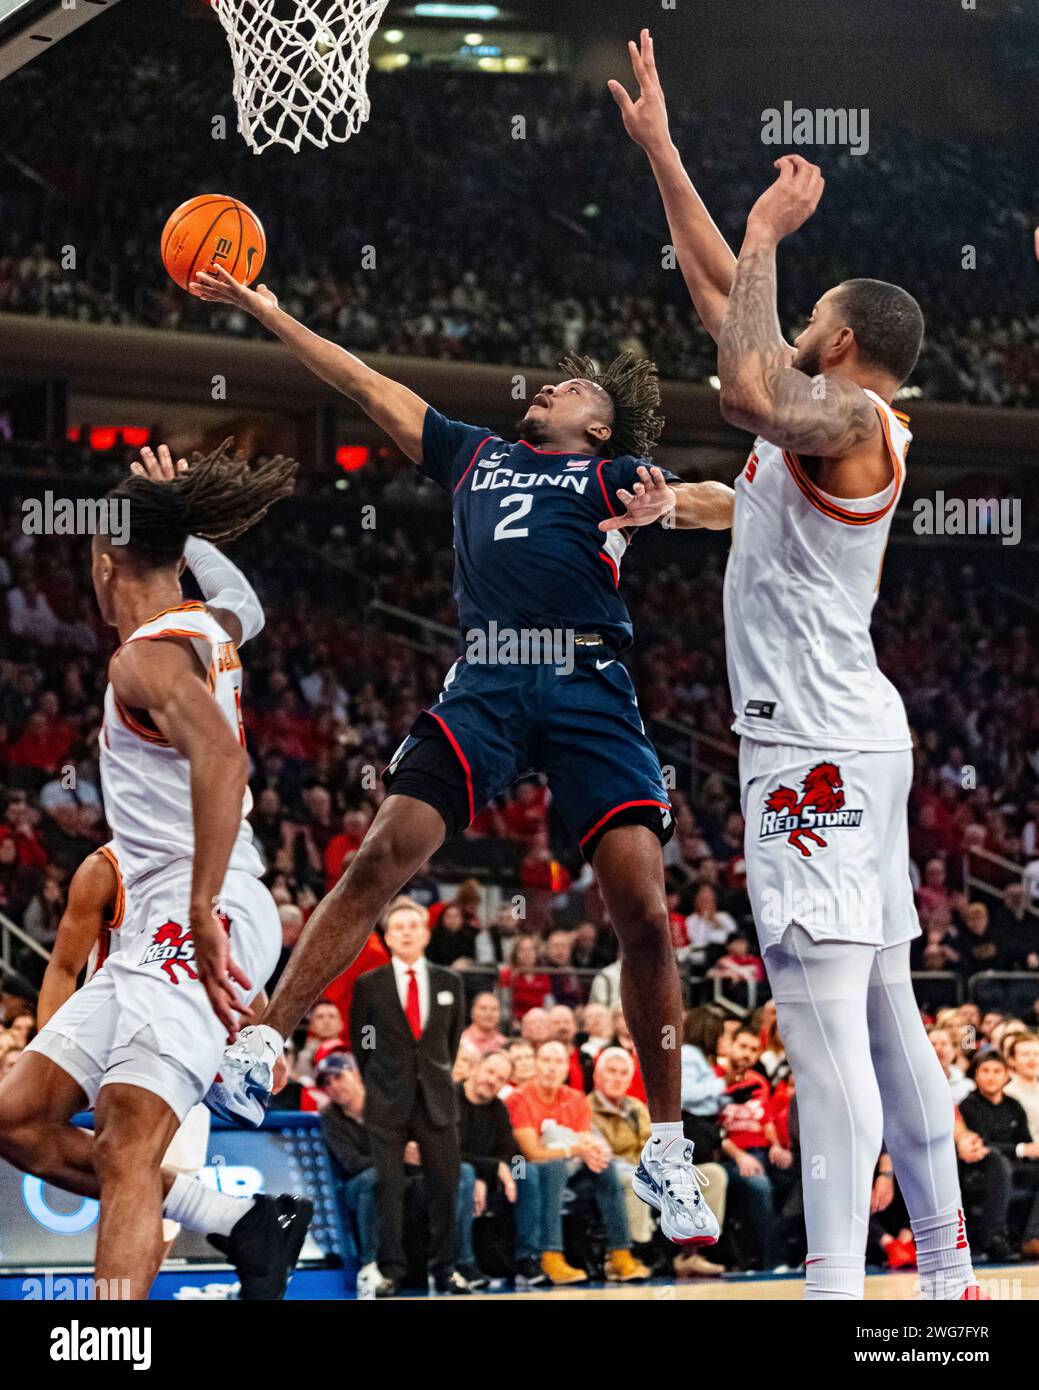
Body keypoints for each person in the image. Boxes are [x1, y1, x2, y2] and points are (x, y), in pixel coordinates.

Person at [195, 247, 731, 1246]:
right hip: (485, 677)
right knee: (381, 854)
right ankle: (260, 1041)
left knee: (647, 915)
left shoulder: (615, 475)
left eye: (574, 385)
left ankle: (664, 1147)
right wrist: (268, 308)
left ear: (599, 426)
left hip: (587, 684)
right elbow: (358, 379)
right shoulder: (472, 454)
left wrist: (677, 504)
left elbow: (726, 501)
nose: (557, 385)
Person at [609, 29, 980, 1300]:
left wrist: (771, 229)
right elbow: (729, 318)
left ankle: (839, 1298)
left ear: (837, 342)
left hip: (813, 750)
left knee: (828, 1051)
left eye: (806, 317)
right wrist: (662, 150)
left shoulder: (852, 421)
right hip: (847, 740)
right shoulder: (831, 422)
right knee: (885, 1021)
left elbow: (750, 385)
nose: (786, 319)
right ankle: (946, 1285)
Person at [0, 443, 309, 1299]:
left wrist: (204, 904)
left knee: (129, 1140)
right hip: (164, 910)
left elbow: (223, 760)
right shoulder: (209, 625)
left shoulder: (142, 656)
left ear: (104, 563)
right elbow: (241, 595)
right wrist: (180, 520)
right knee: (19, 1120)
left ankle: (111, 1344)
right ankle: (242, 1221)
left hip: (195, 901)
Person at [348, 896, 468, 1296]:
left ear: (426, 933)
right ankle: (390, 1273)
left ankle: (446, 1270)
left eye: (413, 926)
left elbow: (449, 1044)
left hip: (438, 1100)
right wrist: (384, 1081)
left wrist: (431, 1074)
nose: (406, 932)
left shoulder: (451, 982)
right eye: (398, 927)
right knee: (389, 1188)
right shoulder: (369, 985)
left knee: (446, 1188)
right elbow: (361, 1044)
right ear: (387, 935)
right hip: (386, 1100)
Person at [507, 1039, 650, 1285]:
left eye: (558, 1062)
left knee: (606, 1166)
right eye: (546, 1061)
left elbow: (586, 1143)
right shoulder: (519, 1098)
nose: (552, 1068)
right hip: (519, 1166)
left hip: (565, 1167)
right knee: (551, 1166)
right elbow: (531, 1152)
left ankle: (620, 1254)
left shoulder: (575, 1098)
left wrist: (594, 1153)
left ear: (567, 1069)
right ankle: (550, 1255)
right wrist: (575, 1149)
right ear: (535, 1065)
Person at [959, 1051, 1039, 1259]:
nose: (991, 1076)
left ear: (1006, 1076)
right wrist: (1020, 1149)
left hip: (1014, 1166)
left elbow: (1027, 1140)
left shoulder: (1013, 1105)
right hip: (979, 1169)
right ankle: (993, 1237)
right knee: (996, 1159)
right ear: (975, 1075)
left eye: (997, 1071)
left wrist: (1027, 1150)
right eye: (985, 1071)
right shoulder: (968, 1106)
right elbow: (981, 1145)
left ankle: (1031, 1238)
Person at [316, 1050, 383, 1296]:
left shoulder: (382, 1103)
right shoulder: (329, 1116)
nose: (333, 1086)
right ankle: (369, 1265)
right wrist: (392, 1159)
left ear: (355, 1074)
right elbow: (352, 1163)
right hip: (354, 1185)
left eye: (338, 1077)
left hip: (396, 1176)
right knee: (371, 1178)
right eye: (326, 1082)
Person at [457, 1050, 519, 1288]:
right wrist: (487, 1170)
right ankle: (463, 1262)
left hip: (480, 1177)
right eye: (490, 1071)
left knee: (529, 1174)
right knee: (465, 1173)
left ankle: (528, 1258)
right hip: (441, 1173)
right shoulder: (448, 1098)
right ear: (475, 1068)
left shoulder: (498, 1109)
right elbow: (447, 1151)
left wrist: (483, 1177)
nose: (492, 1080)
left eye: (500, 1078)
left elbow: (507, 1152)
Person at [1006, 1033, 1039, 1141]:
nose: (1032, 1059)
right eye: (1025, 1054)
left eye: (1036, 1054)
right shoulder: (1008, 1093)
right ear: (1012, 1060)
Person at [460, 991, 508, 1058]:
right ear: (472, 1012)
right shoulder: (462, 1042)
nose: (488, 1013)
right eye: (483, 1008)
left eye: (494, 1009)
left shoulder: (504, 1043)